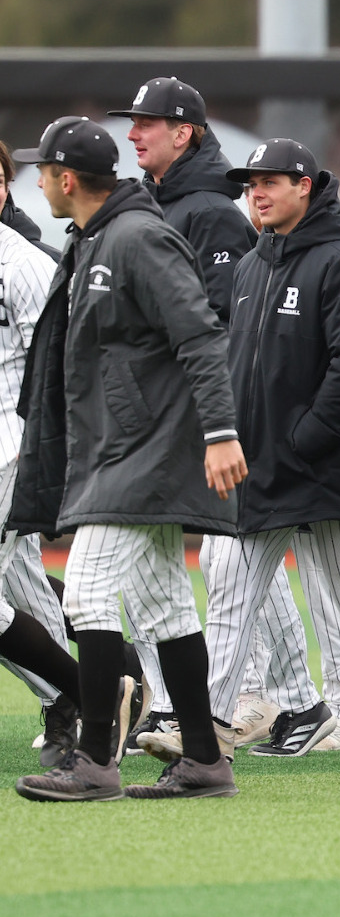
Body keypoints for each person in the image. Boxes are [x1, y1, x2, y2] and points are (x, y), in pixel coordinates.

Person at [139, 139, 340, 765]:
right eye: (250, 183)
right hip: (264, 466)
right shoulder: (252, 264)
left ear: (306, 187)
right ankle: (204, 727)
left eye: (270, 181)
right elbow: (239, 364)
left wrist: (307, 437)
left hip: (325, 469)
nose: (256, 193)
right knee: (233, 598)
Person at [11, 116, 247, 801]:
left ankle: (92, 762)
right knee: (165, 606)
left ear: (64, 178)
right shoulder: (98, 235)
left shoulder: (138, 236)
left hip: (145, 453)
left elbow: (201, 335)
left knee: (84, 592)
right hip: (124, 449)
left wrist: (221, 432)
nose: (39, 183)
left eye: (44, 171)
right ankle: (204, 759)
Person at [108, 76, 309, 753]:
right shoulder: (160, 201)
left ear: (184, 131)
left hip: (210, 411)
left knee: (235, 554)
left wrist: (216, 418)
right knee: (225, 558)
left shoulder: (210, 211)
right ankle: (270, 698)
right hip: (173, 409)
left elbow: (223, 325)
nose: (133, 133)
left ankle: (261, 697)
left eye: (147, 123)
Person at [0, 144, 85, 767]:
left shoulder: (25, 265)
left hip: (11, 445)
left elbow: (58, 370)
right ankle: (78, 699)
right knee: (23, 582)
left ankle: (82, 695)